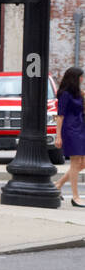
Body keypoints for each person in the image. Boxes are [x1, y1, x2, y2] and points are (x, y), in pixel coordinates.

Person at [53, 66, 85, 206]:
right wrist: (58, 136)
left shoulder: (78, 93)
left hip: (81, 128)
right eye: (80, 76)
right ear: (74, 78)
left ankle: (57, 185)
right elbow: (60, 116)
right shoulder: (65, 94)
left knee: (82, 163)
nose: (82, 79)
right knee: (74, 163)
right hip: (71, 130)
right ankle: (75, 197)